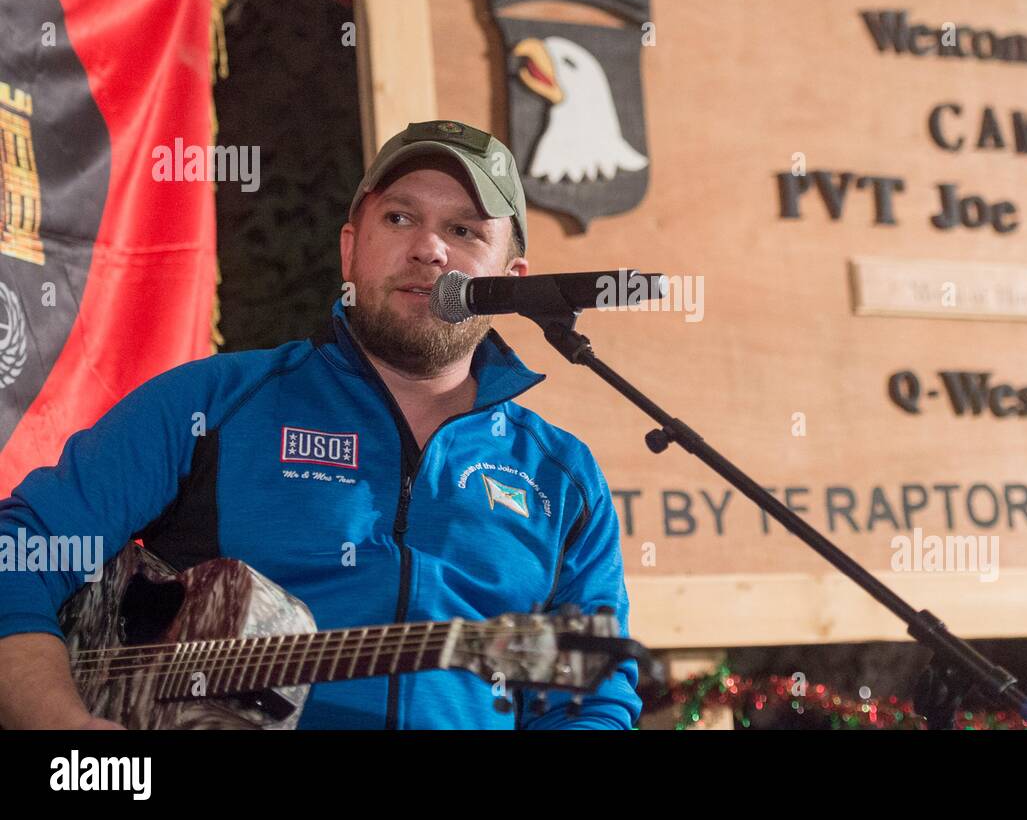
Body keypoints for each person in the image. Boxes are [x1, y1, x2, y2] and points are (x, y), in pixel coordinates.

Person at [0, 119, 641, 729]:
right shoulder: (216, 400)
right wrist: (63, 724)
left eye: (466, 231)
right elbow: (20, 552)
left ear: (511, 281)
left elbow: (591, 700)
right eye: (399, 217)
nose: (428, 248)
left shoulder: (563, 479)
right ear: (350, 247)